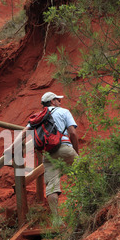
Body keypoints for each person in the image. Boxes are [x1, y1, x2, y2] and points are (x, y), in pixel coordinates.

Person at [39, 91, 79, 222]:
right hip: (64, 148)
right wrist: (76, 152)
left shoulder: (38, 116)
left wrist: (11, 149)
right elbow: (72, 133)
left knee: (51, 186)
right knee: (83, 173)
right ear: (52, 101)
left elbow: (24, 132)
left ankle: (56, 219)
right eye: (58, 100)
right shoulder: (64, 112)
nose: (60, 102)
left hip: (49, 154)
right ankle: (87, 206)